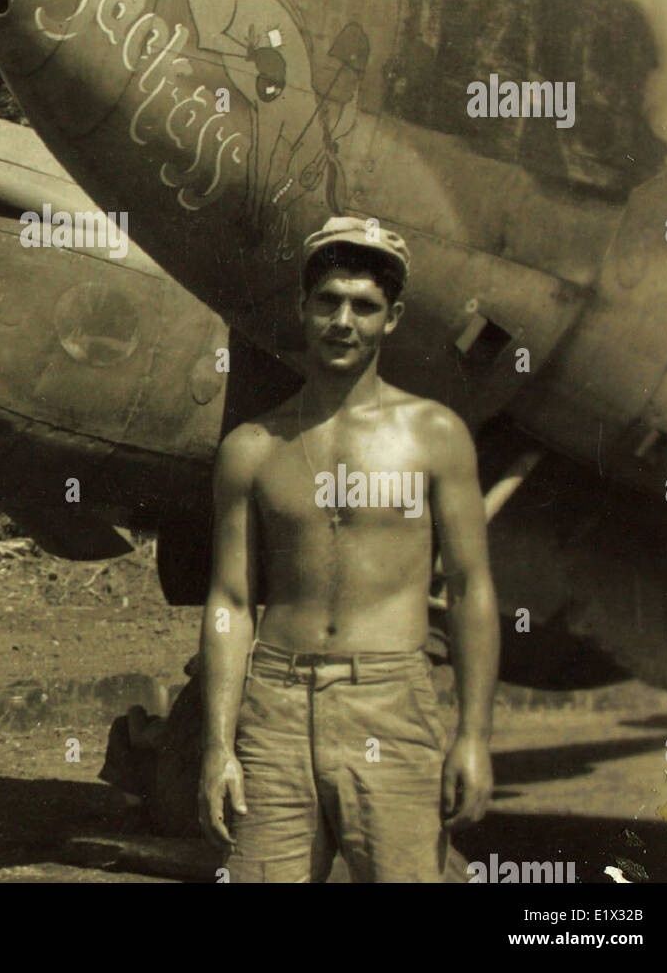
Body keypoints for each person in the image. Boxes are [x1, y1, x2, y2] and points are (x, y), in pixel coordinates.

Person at [197, 216, 497, 882]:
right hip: (274, 707)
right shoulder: (251, 447)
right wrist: (218, 747)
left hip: (388, 703)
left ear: (390, 320)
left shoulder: (433, 435)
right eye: (327, 301)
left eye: (363, 306)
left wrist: (474, 736)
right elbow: (229, 601)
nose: (342, 320)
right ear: (303, 309)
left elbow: (472, 589)